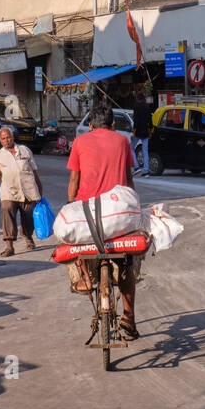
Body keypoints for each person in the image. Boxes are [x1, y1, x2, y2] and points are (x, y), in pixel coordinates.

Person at [66, 102, 140, 338]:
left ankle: (83, 278)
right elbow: (129, 180)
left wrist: (72, 205)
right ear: (112, 124)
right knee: (129, 262)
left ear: (89, 125)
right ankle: (129, 316)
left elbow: (74, 182)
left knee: (69, 238)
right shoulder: (122, 141)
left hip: (88, 216)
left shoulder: (79, 142)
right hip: (118, 216)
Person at [0, 125, 44, 257]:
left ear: (13, 137)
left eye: (8, 137)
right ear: (0, 141)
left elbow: (34, 171)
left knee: (29, 217)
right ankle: (9, 246)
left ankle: (27, 236)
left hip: (28, 190)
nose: (6, 140)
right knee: (7, 212)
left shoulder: (24, 150)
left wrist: (39, 187)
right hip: (9, 192)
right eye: (3, 138)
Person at [132, 93, 154, 177]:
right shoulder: (147, 107)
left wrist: (133, 132)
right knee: (145, 151)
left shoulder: (136, 107)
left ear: (138, 99)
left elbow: (136, 121)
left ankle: (136, 166)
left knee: (131, 147)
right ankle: (146, 170)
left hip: (138, 132)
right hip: (145, 132)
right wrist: (150, 130)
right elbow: (150, 119)